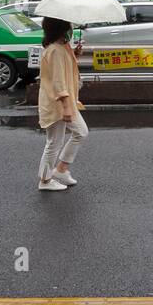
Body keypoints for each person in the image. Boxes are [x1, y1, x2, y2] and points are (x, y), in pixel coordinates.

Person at [36, 17, 88, 192]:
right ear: (62, 28)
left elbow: (65, 70)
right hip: (58, 103)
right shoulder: (55, 50)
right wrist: (66, 106)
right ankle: (45, 180)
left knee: (80, 132)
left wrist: (75, 53)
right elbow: (58, 81)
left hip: (64, 102)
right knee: (54, 143)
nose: (70, 28)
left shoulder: (60, 48)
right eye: (68, 26)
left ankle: (61, 170)